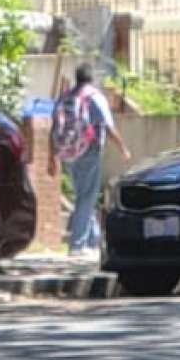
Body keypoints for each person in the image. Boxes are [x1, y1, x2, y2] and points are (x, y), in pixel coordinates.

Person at [49, 63, 129, 257]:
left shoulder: (66, 96)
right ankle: (76, 245)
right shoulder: (94, 97)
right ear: (91, 78)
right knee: (87, 197)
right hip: (88, 150)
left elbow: (54, 127)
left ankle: (92, 242)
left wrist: (52, 155)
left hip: (68, 151)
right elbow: (108, 127)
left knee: (85, 196)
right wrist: (123, 148)